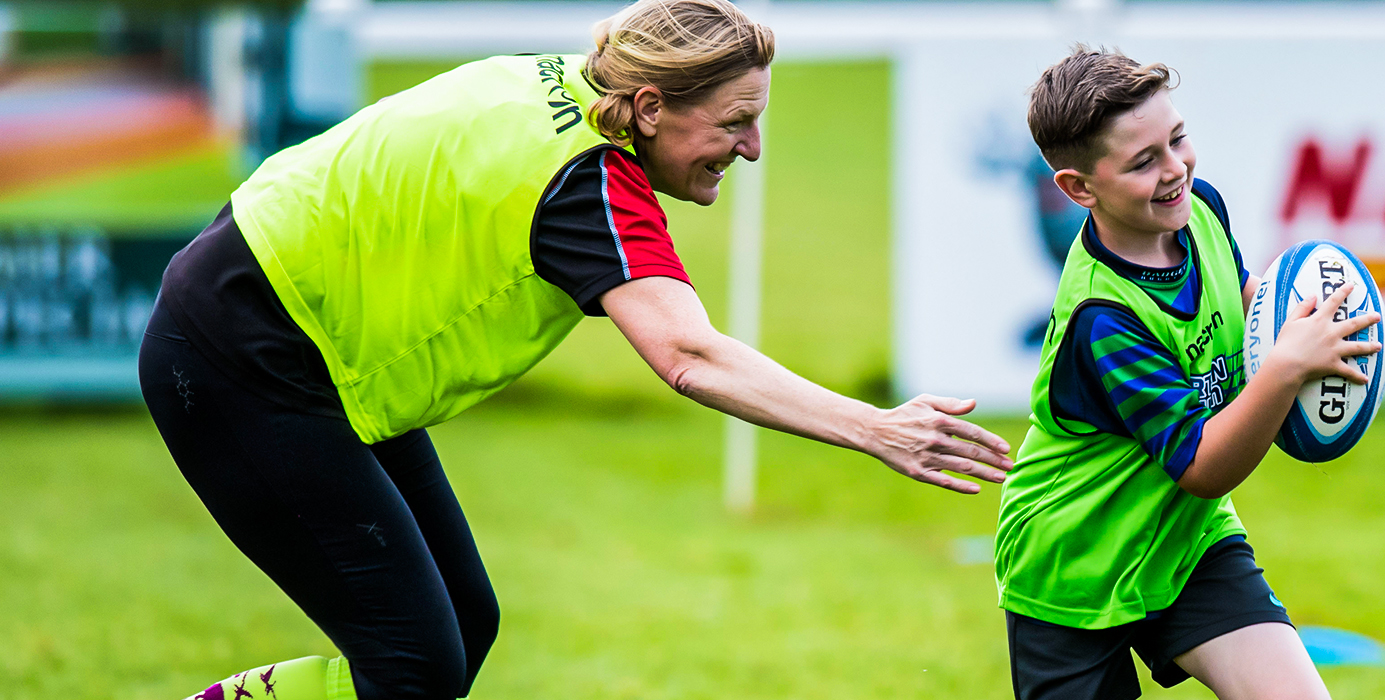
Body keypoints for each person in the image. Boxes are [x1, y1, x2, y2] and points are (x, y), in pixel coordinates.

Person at [138, 1, 1015, 698]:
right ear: (650, 107)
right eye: (737, 121)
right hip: (240, 351)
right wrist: (875, 429)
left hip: (289, 331)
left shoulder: (559, 82)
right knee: (415, 663)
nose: (752, 148)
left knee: (459, 629)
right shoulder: (588, 182)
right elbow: (689, 356)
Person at [992, 47, 1381, 700]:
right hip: (1072, 569)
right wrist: (1286, 368)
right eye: (1143, 162)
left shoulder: (1201, 209)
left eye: (1176, 139)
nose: (1175, 169)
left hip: (1189, 540)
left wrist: (1295, 321)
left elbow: (1241, 299)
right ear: (1079, 189)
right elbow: (1203, 466)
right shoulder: (1103, 319)